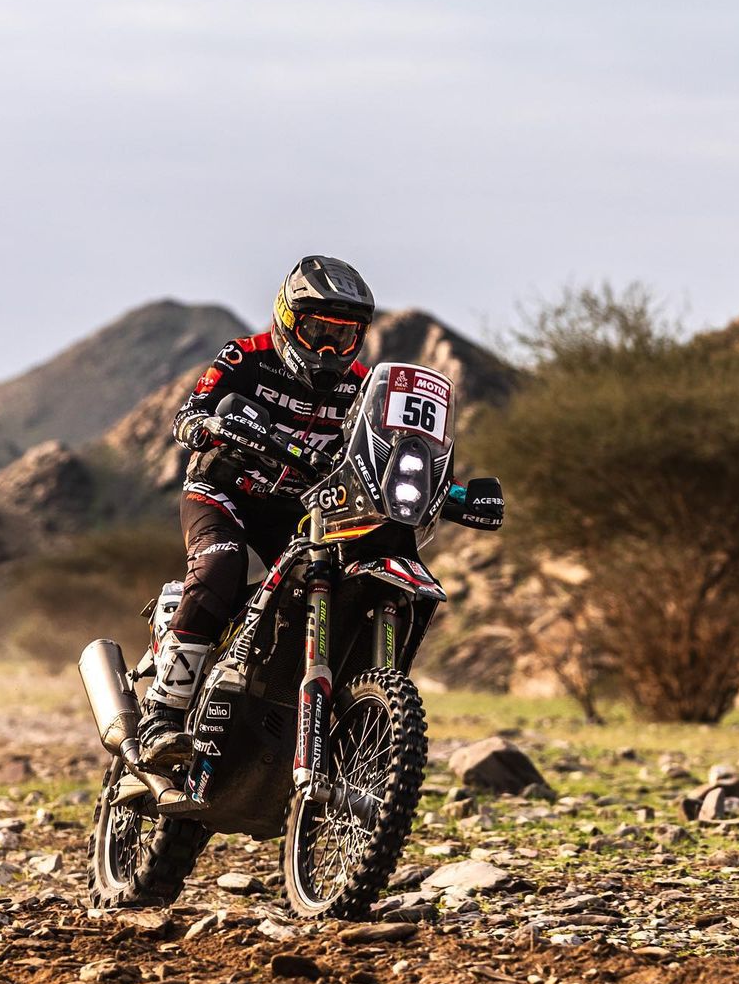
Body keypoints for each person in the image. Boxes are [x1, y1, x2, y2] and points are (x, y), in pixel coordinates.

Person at [138, 255, 503, 768]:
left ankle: (342, 725)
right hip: (226, 496)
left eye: (344, 334)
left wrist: (452, 494)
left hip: (303, 515)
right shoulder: (245, 357)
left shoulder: (360, 388)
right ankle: (163, 714)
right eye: (317, 330)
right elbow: (191, 412)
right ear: (288, 320)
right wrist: (209, 426)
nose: (331, 347)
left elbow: (392, 459)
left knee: (341, 578)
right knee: (220, 563)